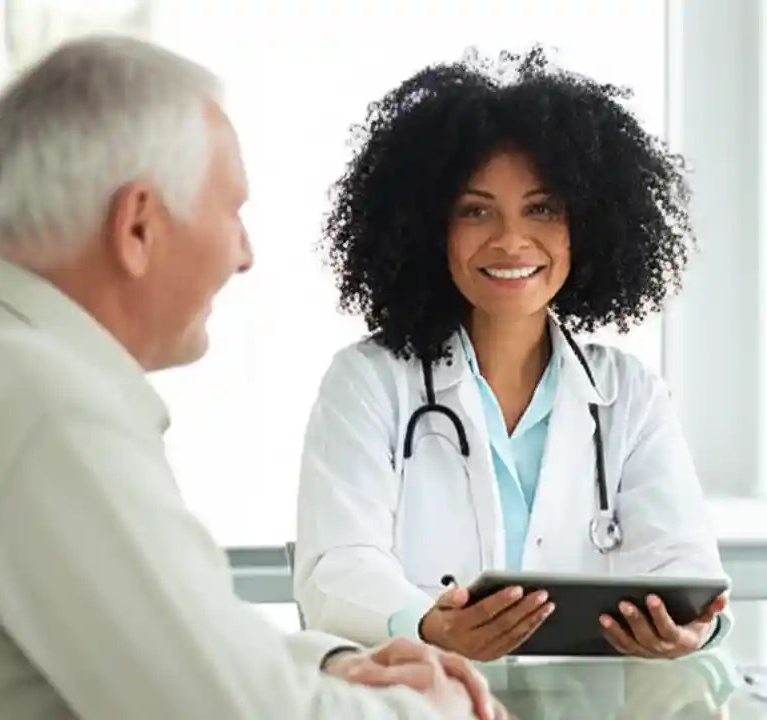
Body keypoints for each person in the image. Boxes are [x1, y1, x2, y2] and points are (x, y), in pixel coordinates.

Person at [0, 36, 504, 720]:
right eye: (231, 210)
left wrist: (336, 665)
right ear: (137, 227)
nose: (244, 254)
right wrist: (446, 709)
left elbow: (167, 648)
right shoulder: (50, 416)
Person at [294, 48, 729, 662]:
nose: (510, 240)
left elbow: (686, 567)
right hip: (422, 702)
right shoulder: (368, 382)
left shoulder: (627, 392)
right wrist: (426, 624)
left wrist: (692, 630)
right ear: (430, 227)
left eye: (542, 209)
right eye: (476, 211)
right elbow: (335, 569)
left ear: (586, 224)